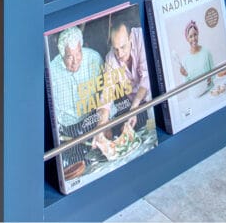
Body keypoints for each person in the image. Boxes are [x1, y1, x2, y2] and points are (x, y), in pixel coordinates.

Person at [47, 24, 106, 171]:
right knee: (79, 170)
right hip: (68, 131)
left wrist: (105, 122)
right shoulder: (52, 72)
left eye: (78, 53)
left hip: (94, 119)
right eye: (69, 57)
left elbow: (106, 94)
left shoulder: (94, 58)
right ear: (62, 55)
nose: (76, 61)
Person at [96, 22, 152, 149]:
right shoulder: (110, 58)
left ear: (130, 36)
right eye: (116, 49)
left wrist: (134, 109)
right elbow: (107, 93)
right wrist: (101, 126)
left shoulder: (141, 37)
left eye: (123, 47)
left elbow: (147, 78)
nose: (119, 54)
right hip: (133, 102)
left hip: (151, 97)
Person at [173, 19, 223, 97]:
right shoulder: (185, 60)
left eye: (195, 34)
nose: (193, 39)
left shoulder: (206, 52)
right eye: (190, 36)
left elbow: (214, 72)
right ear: (187, 38)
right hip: (197, 97)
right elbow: (187, 84)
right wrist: (185, 75)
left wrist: (211, 78)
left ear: (198, 34)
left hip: (211, 92)